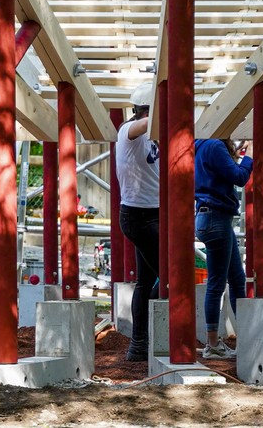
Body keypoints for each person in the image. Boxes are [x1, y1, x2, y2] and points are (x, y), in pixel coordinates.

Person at [194, 137, 253, 359]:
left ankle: (244, 337)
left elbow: (218, 173)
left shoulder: (200, 144)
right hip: (216, 218)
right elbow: (239, 177)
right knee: (217, 283)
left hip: (210, 217)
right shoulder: (215, 145)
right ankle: (213, 344)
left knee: (237, 278)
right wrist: (249, 157)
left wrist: (236, 155)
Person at [116, 82, 160, 362]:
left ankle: (139, 344)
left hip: (152, 214)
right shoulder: (128, 131)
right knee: (168, 276)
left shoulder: (156, 136)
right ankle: (149, 337)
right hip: (137, 216)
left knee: (145, 282)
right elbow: (140, 126)